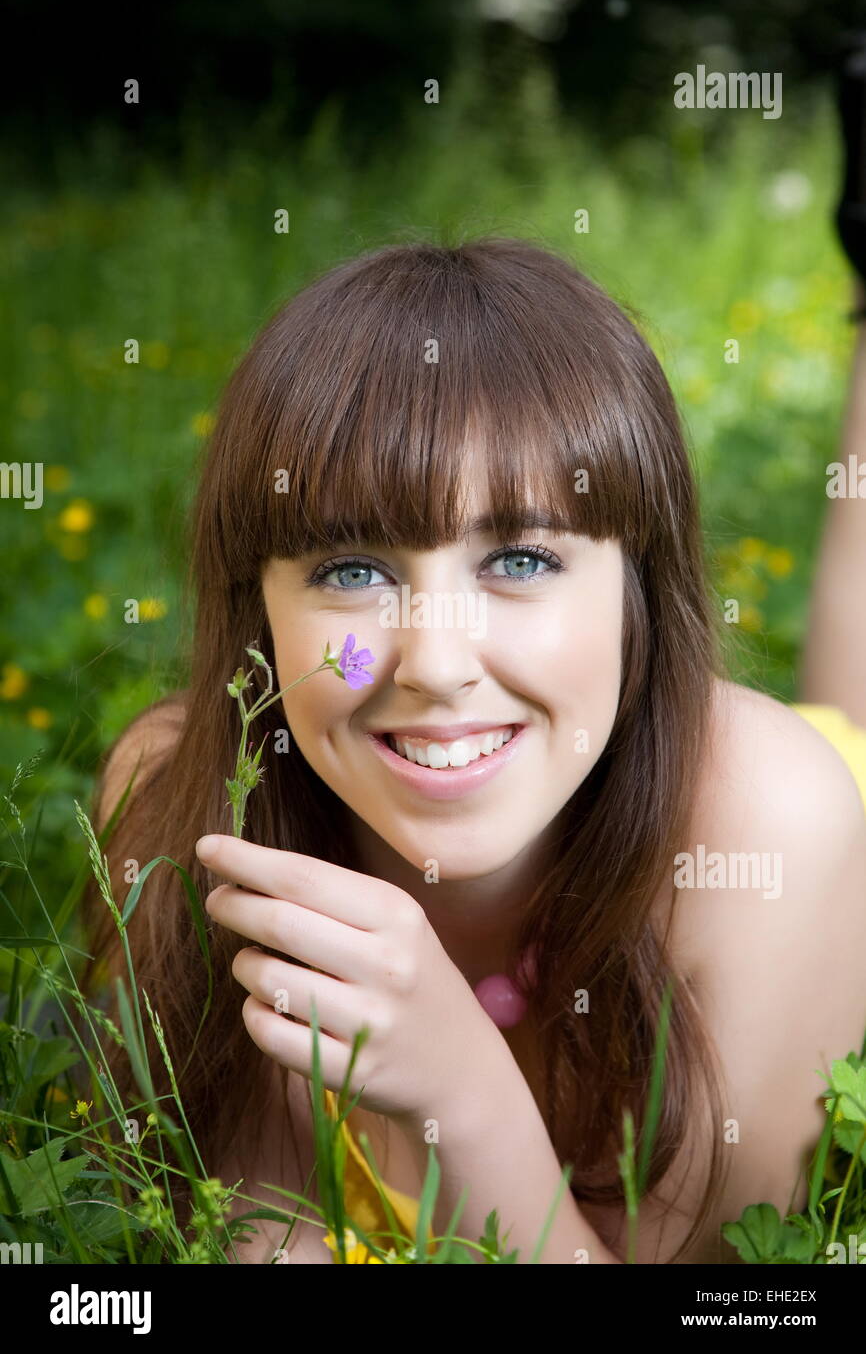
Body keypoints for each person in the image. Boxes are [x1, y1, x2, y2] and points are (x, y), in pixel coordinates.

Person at [84, 235, 866, 1266]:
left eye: (519, 557)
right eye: (352, 567)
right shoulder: (171, 795)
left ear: (638, 591)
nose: (436, 665)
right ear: (255, 610)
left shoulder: (771, 828)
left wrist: (462, 1096)